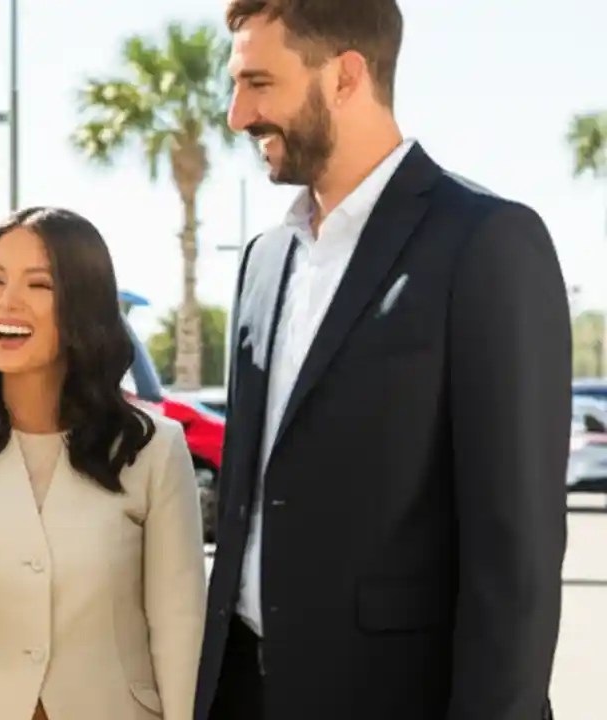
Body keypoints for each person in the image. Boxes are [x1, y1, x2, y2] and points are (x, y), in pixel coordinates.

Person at [196, 1, 569, 719]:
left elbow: (514, 558)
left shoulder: (487, 243)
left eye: (260, 83)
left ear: (346, 76)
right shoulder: (263, 259)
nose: (238, 115)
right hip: (246, 693)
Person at [0, 207, 208, 720]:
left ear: (84, 306)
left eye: (39, 285)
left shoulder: (153, 449)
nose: (7, 302)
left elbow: (179, 624)